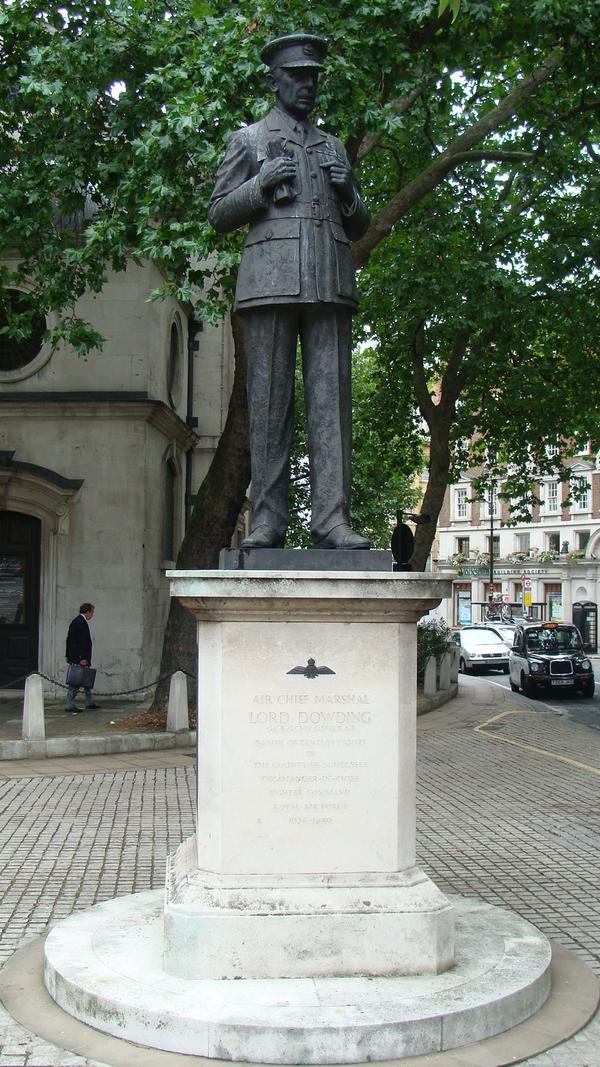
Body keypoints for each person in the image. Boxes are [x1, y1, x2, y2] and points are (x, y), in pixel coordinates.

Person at [208, 32, 371, 550]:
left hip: (328, 278)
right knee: (269, 407)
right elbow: (218, 214)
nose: (306, 85)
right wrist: (260, 184)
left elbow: (360, 224)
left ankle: (332, 520)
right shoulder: (249, 141)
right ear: (274, 80)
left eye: (312, 77)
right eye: (296, 76)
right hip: (269, 282)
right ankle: (268, 521)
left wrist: (348, 191)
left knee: (332, 405)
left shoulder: (333, 146)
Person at [65, 602, 100, 713]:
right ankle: (69, 704)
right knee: (75, 682)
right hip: (79, 658)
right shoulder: (80, 623)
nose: (92, 615)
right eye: (92, 612)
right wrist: (82, 657)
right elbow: (79, 642)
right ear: (87, 611)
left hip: (79, 656)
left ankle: (89, 702)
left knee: (87, 680)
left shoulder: (78, 621)